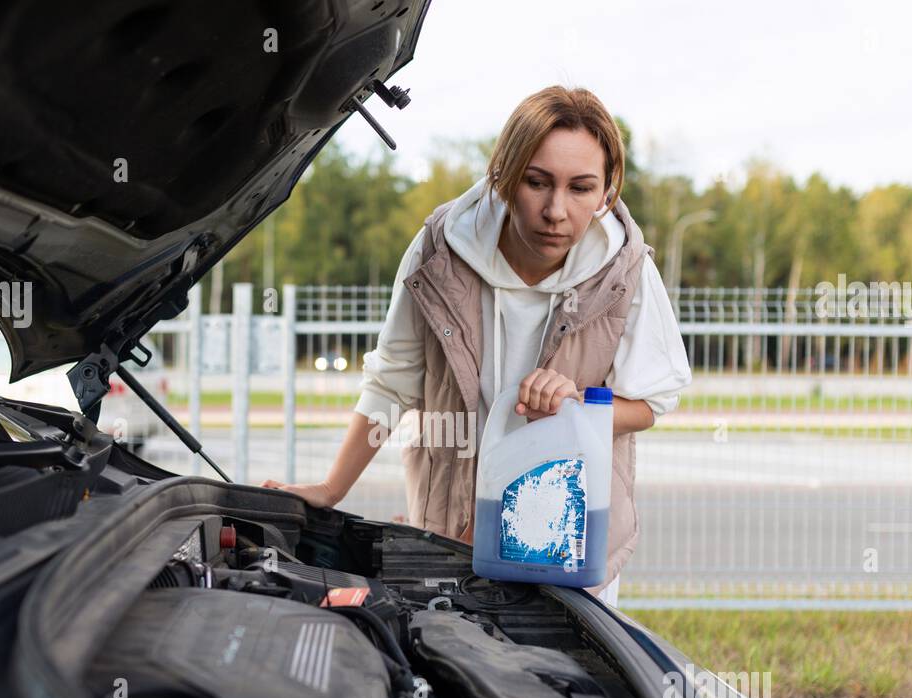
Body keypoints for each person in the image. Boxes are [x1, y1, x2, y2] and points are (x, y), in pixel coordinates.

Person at [264, 86, 692, 607]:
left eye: (581, 188)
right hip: (451, 535)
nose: (556, 210)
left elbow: (651, 403)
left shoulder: (625, 271)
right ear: (505, 176)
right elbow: (392, 379)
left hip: (568, 546)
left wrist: (573, 407)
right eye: (537, 182)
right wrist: (332, 489)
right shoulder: (439, 250)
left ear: (606, 193)